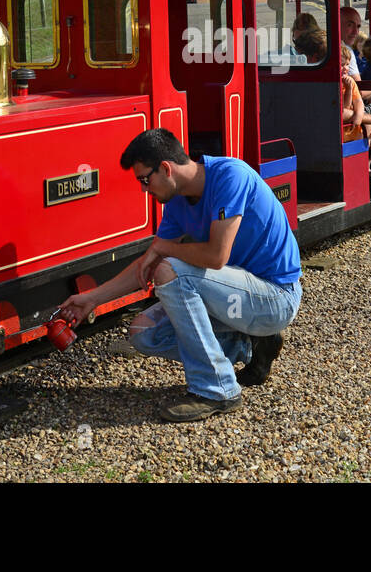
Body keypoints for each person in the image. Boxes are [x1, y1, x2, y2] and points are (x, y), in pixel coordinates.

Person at [57, 129, 301, 422]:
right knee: (144, 333)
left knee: (170, 269)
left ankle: (217, 390)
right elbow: (147, 266)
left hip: (275, 298)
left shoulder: (230, 176)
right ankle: (249, 344)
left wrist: (165, 248)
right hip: (237, 298)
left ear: (166, 168)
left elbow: (215, 256)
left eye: (145, 180)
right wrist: (92, 299)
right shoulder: (176, 203)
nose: (145, 189)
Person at [341, 43, 371, 141]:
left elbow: (359, 102)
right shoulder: (335, 85)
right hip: (343, 132)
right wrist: (348, 90)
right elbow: (345, 108)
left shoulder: (350, 81)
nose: (346, 68)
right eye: (342, 65)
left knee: (367, 126)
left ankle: (367, 154)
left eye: (347, 64)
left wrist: (359, 116)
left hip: (355, 130)